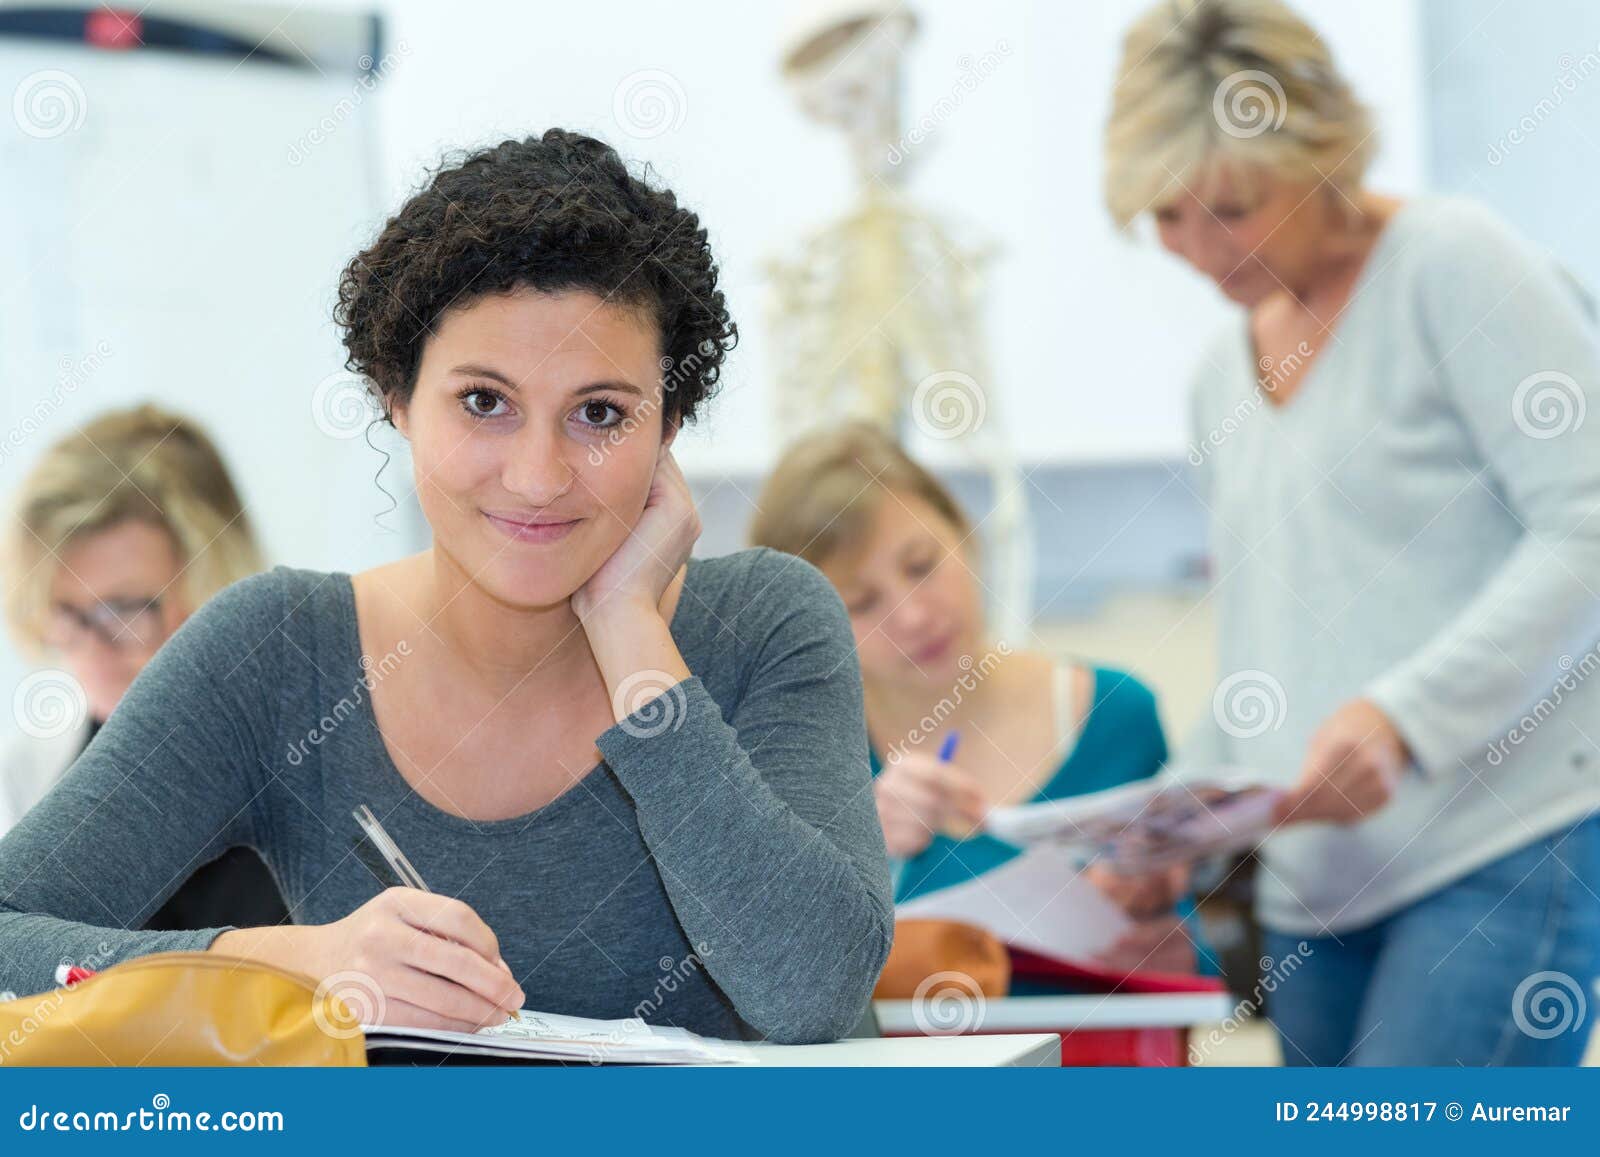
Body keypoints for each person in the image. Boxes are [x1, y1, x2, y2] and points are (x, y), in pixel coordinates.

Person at [0, 130, 892, 1045]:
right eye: (483, 402)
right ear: (397, 396)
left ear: (668, 429)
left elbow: (811, 991)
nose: (539, 474)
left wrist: (630, 632)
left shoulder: (770, 622)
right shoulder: (278, 652)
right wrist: (286, 962)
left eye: (600, 414)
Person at [1104, 0, 1600, 1063]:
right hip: (1313, 893)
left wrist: (1401, 717)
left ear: (1319, 150)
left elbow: (1588, 523)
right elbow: (1266, 640)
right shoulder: (1218, 376)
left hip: (1499, 849)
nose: (1197, 251)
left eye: (1230, 209)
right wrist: (1170, 824)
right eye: (1167, 218)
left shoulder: (1449, 265)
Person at [751, 422, 1218, 983]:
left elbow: (1193, 951)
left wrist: (1172, 951)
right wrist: (855, 853)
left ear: (965, 537)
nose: (916, 617)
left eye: (923, 566)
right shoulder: (795, 765)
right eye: (861, 603)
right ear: (810, 629)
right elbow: (772, 989)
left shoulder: (1117, 715)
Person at [1, 404, 287, 931]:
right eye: (67, 614)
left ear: (217, 593)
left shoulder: (310, 756)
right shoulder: (37, 767)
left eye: (124, 613)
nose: (92, 653)